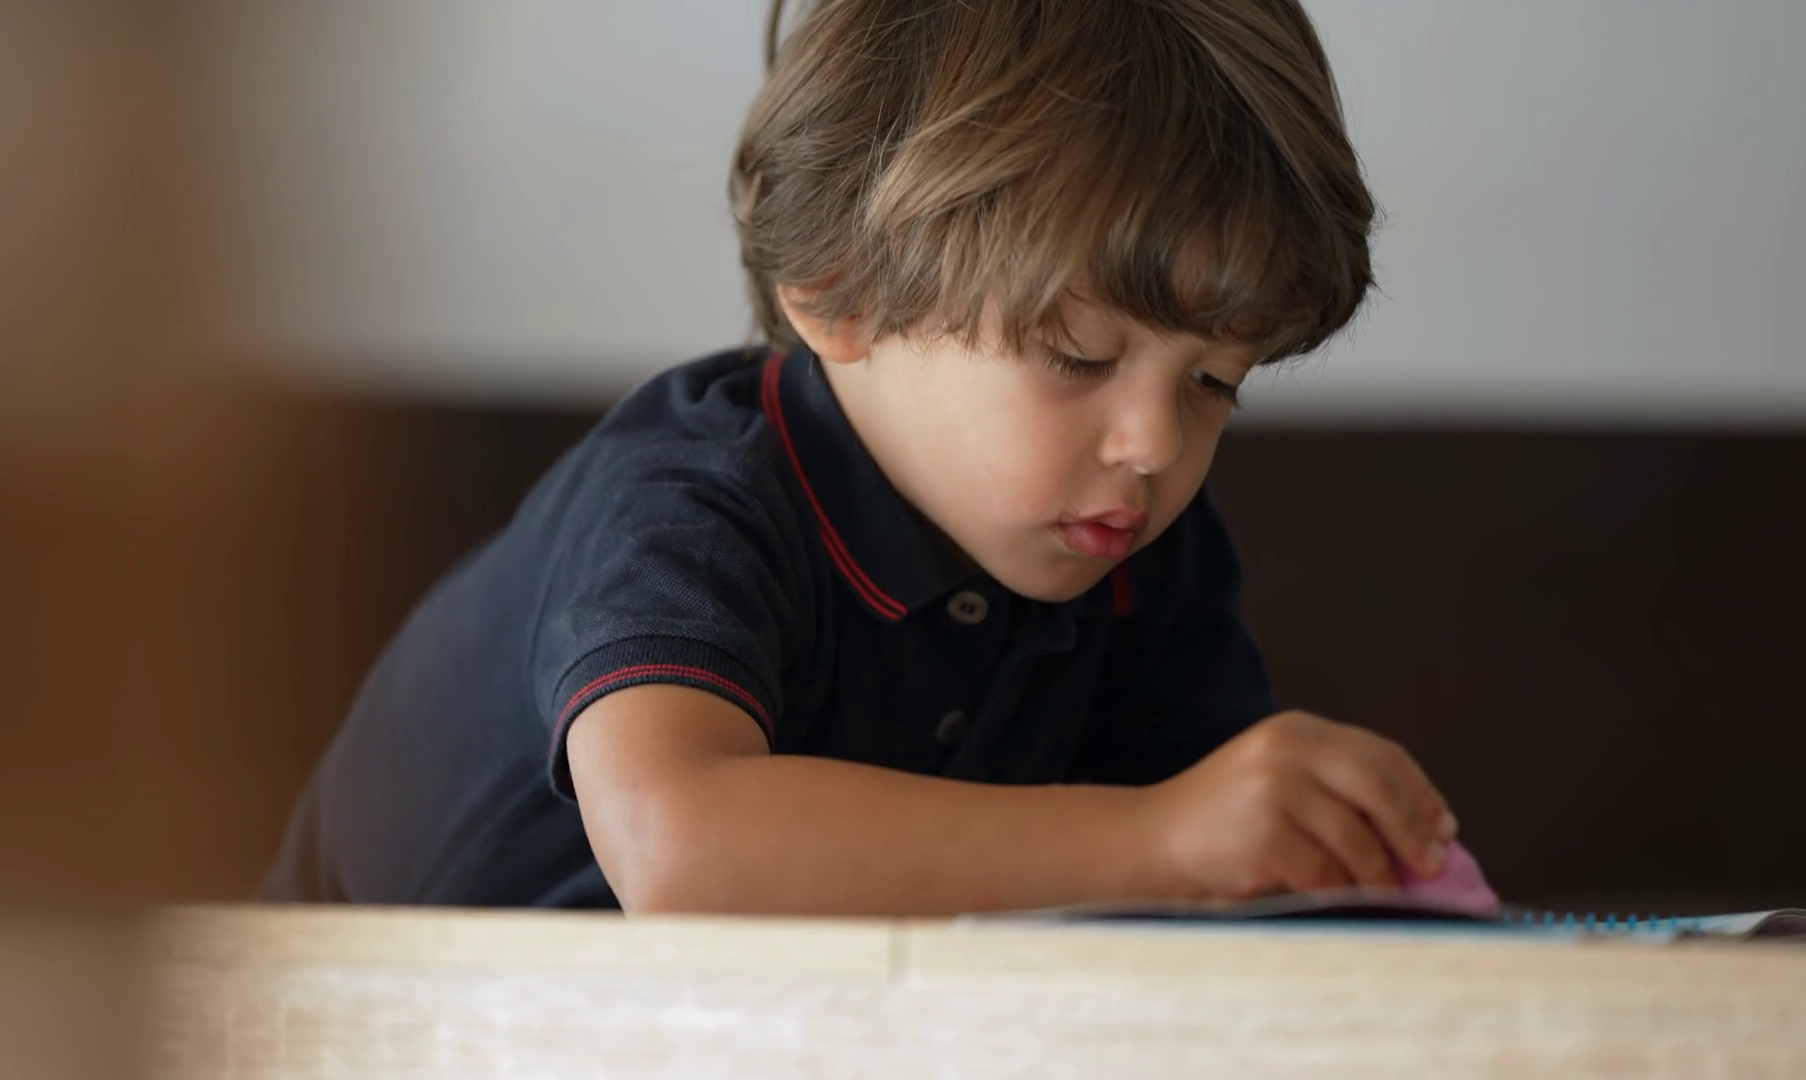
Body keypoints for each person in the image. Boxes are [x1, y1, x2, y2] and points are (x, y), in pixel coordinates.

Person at [260, 0, 1461, 915]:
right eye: (1077, 356)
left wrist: (1322, 846)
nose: (1154, 446)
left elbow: (1223, 881)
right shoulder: (693, 504)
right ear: (836, 294)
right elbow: (681, 844)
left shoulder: (1145, 556)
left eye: (1215, 383)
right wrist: (1170, 838)